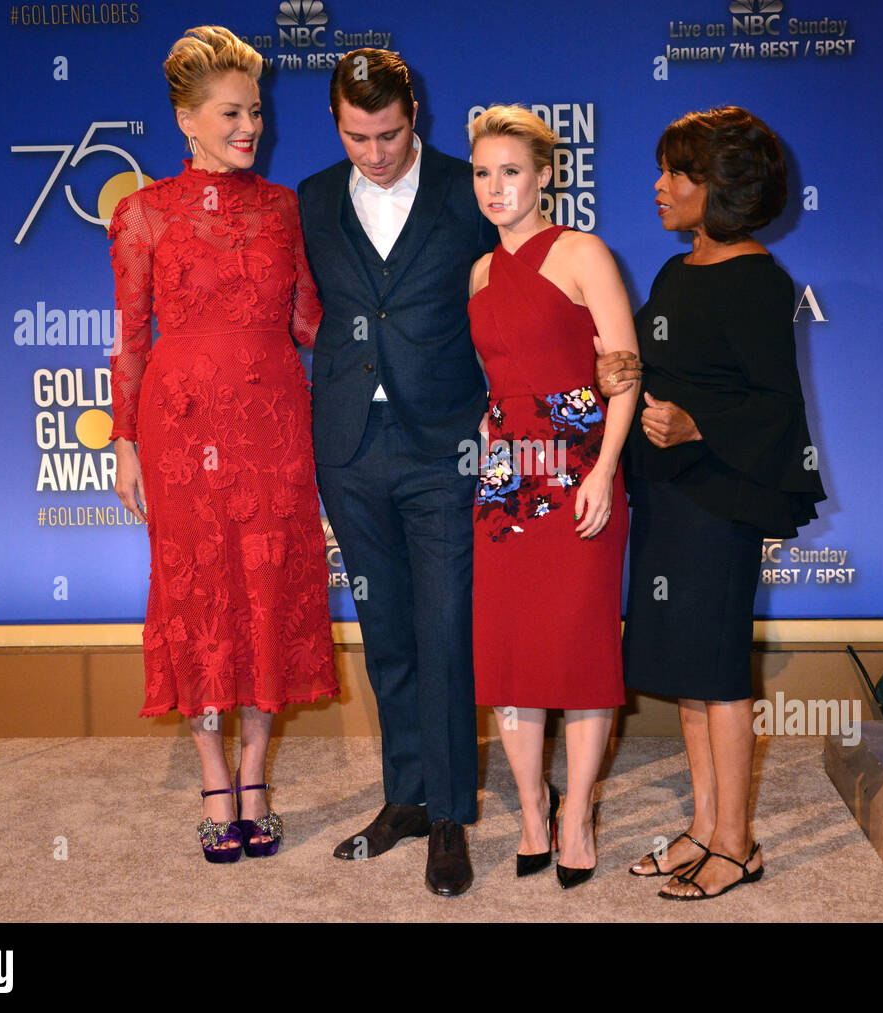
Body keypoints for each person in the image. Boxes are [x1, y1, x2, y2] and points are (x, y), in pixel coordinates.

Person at [109, 26, 337, 864]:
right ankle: (214, 779)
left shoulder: (285, 209)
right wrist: (123, 439)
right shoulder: (141, 214)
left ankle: (254, 775)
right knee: (200, 596)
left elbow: (310, 323)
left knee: (269, 587)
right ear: (187, 119)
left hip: (274, 423)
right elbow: (131, 337)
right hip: (181, 427)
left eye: (257, 111)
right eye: (233, 113)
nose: (251, 127)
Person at [596, 106, 825, 899]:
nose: (659, 187)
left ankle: (737, 842)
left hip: (721, 500)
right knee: (690, 672)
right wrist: (619, 376)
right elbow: (658, 368)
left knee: (720, 671)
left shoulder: (759, 279)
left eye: (677, 174)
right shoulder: (674, 272)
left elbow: (776, 404)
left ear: (720, 186)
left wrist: (698, 423)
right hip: (666, 493)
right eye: (662, 171)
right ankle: (701, 827)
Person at [295, 49, 497, 896]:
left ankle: (449, 814)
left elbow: (510, 297)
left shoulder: (467, 188)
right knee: (386, 631)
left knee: (444, 628)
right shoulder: (311, 198)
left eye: (389, 134)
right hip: (349, 443)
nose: (375, 154)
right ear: (336, 123)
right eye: (357, 136)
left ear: (415, 114)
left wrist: (503, 407)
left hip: (443, 440)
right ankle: (406, 798)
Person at [467, 106, 640, 888]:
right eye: (483, 173)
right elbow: (498, 379)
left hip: (579, 469)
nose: (495, 187)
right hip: (507, 479)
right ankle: (534, 810)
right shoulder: (478, 273)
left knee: (579, 647)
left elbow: (622, 369)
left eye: (511, 171)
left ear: (544, 175)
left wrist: (604, 469)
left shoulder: (581, 252)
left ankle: (578, 817)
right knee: (511, 653)